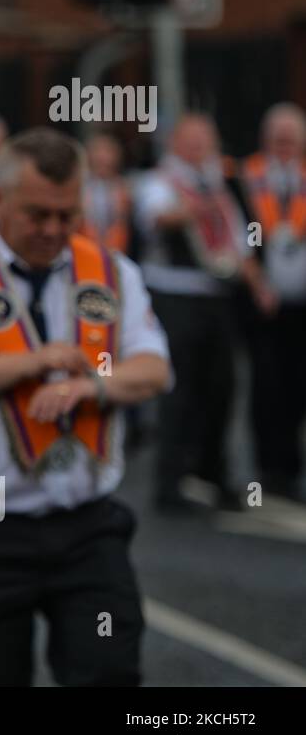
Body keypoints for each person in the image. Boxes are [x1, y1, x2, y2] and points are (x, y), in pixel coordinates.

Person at [0, 128, 171, 686]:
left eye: (67, 215)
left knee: (110, 672)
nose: (54, 230)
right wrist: (33, 363)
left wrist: (89, 385)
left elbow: (154, 368)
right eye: (38, 214)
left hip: (88, 525)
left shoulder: (112, 271)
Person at [135, 113, 276, 513]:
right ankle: (169, 483)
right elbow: (158, 216)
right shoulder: (161, 181)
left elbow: (238, 241)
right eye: (192, 141)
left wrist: (258, 285)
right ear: (176, 143)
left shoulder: (219, 183)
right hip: (174, 294)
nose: (200, 149)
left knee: (223, 387)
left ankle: (212, 473)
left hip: (217, 294)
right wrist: (198, 205)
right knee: (179, 389)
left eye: (206, 141)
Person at [238, 103, 306, 501]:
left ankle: (291, 467)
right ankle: (267, 470)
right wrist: (257, 277)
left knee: (298, 386)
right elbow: (245, 231)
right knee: (266, 385)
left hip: (302, 303)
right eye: (278, 138)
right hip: (264, 300)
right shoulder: (247, 175)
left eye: (291, 139)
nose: (284, 145)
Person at [79, 132, 133, 256]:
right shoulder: (79, 187)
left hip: (116, 252)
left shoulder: (124, 188)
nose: (103, 157)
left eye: (108, 152)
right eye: (98, 151)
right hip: (85, 251)